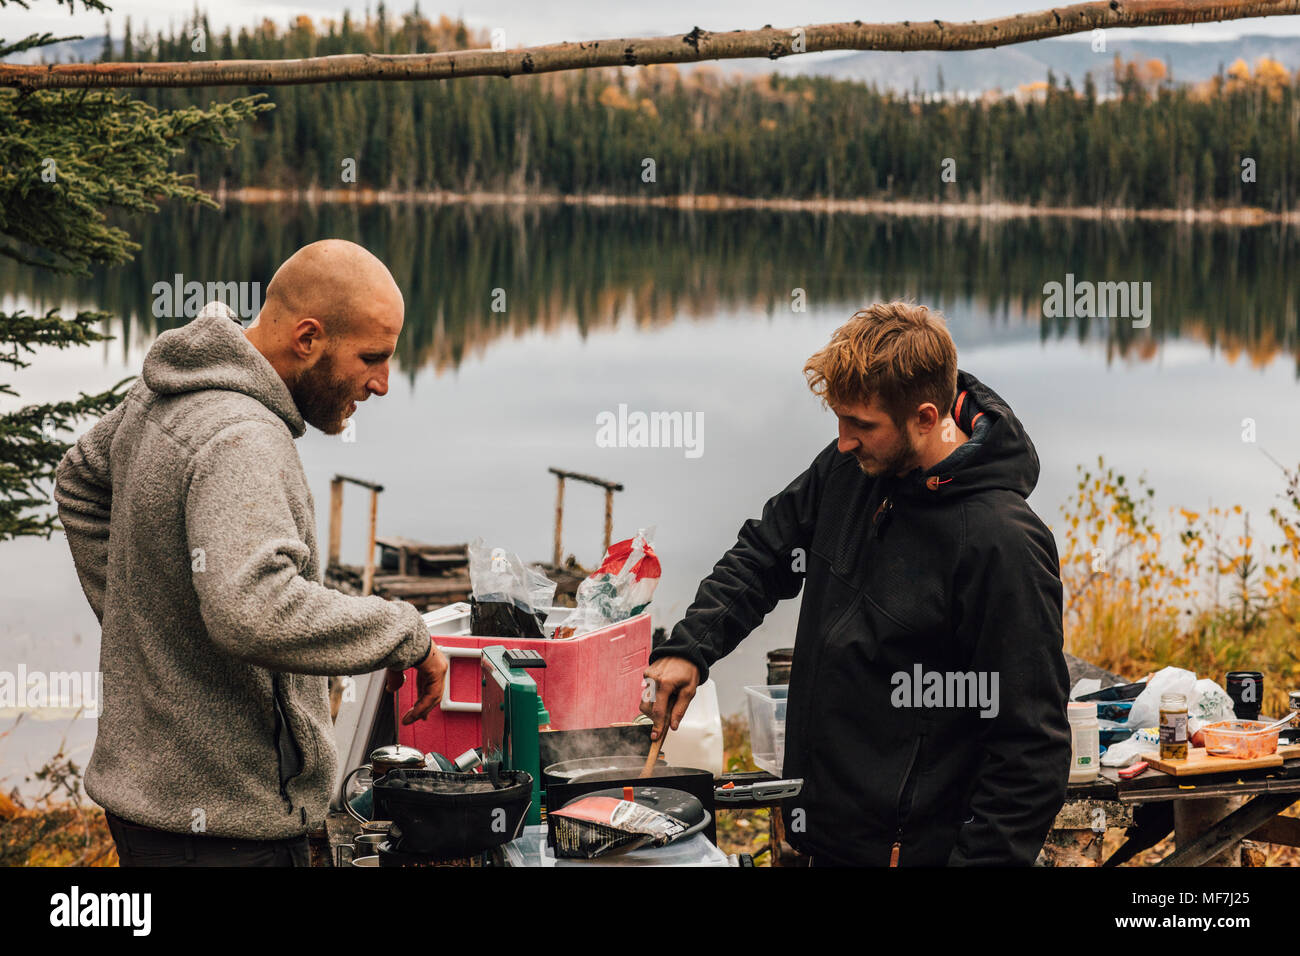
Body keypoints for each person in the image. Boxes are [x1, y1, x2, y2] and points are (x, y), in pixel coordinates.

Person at [54, 239, 449, 866]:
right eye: (371, 359)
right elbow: (254, 609)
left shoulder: (172, 388)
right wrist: (405, 629)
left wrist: (155, 635)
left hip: (147, 811)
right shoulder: (244, 438)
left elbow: (79, 480)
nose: (381, 384)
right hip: (226, 831)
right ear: (309, 337)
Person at [641, 301, 1070, 866]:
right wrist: (692, 649)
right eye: (839, 420)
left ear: (923, 416)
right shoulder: (858, 466)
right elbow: (766, 551)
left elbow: (1031, 751)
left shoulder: (1001, 544)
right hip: (822, 833)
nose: (843, 440)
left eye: (860, 425)